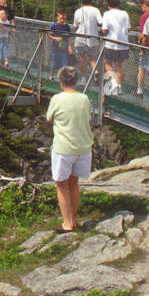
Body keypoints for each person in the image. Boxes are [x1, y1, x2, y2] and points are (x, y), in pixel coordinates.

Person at [43, 66, 93, 233]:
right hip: (83, 148)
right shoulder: (84, 98)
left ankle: (67, 223)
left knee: (61, 185)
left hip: (64, 148)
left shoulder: (56, 99)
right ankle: (73, 219)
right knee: (73, 183)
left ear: (61, 81)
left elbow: (49, 118)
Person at [99, 0, 130, 95]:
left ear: (108, 5)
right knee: (119, 66)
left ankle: (113, 82)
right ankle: (119, 87)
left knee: (107, 62)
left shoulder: (107, 14)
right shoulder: (124, 13)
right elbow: (128, 28)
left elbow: (104, 30)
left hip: (111, 43)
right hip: (123, 43)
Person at [72, 0, 102, 78]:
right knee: (91, 58)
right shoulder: (96, 10)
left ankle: (83, 78)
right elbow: (100, 23)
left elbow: (75, 26)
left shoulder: (78, 11)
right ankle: (95, 71)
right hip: (92, 37)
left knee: (82, 58)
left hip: (80, 37)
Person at [47, 10, 72, 80]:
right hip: (55, 48)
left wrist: (69, 47)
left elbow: (68, 37)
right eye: (61, 18)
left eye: (64, 18)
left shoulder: (67, 27)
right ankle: (51, 76)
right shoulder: (53, 26)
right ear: (57, 18)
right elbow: (49, 35)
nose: (63, 20)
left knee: (64, 62)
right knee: (54, 62)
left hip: (64, 47)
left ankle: (63, 78)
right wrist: (55, 38)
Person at [136, 0, 149, 96]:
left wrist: (142, 49)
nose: (142, 8)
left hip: (147, 47)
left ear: (145, 6)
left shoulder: (144, 17)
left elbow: (142, 35)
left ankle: (139, 90)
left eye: (142, 6)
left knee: (142, 69)